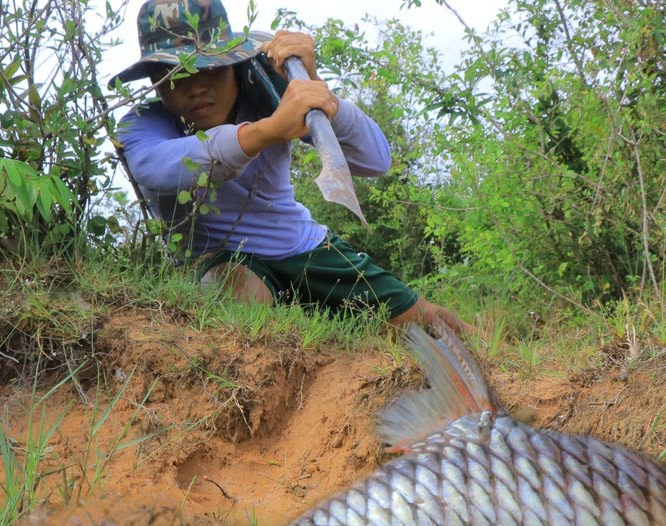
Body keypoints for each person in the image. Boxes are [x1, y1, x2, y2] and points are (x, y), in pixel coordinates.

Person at [110, 0, 470, 333]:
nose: (198, 86)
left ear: (234, 65)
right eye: (179, 72)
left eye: (211, 68)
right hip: (220, 261)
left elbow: (375, 159)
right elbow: (155, 168)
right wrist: (267, 131)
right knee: (239, 299)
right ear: (156, 81)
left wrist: (315, 92)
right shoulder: (141, 125)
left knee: (435, 325)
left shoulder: (268, 93)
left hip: (306, 248)